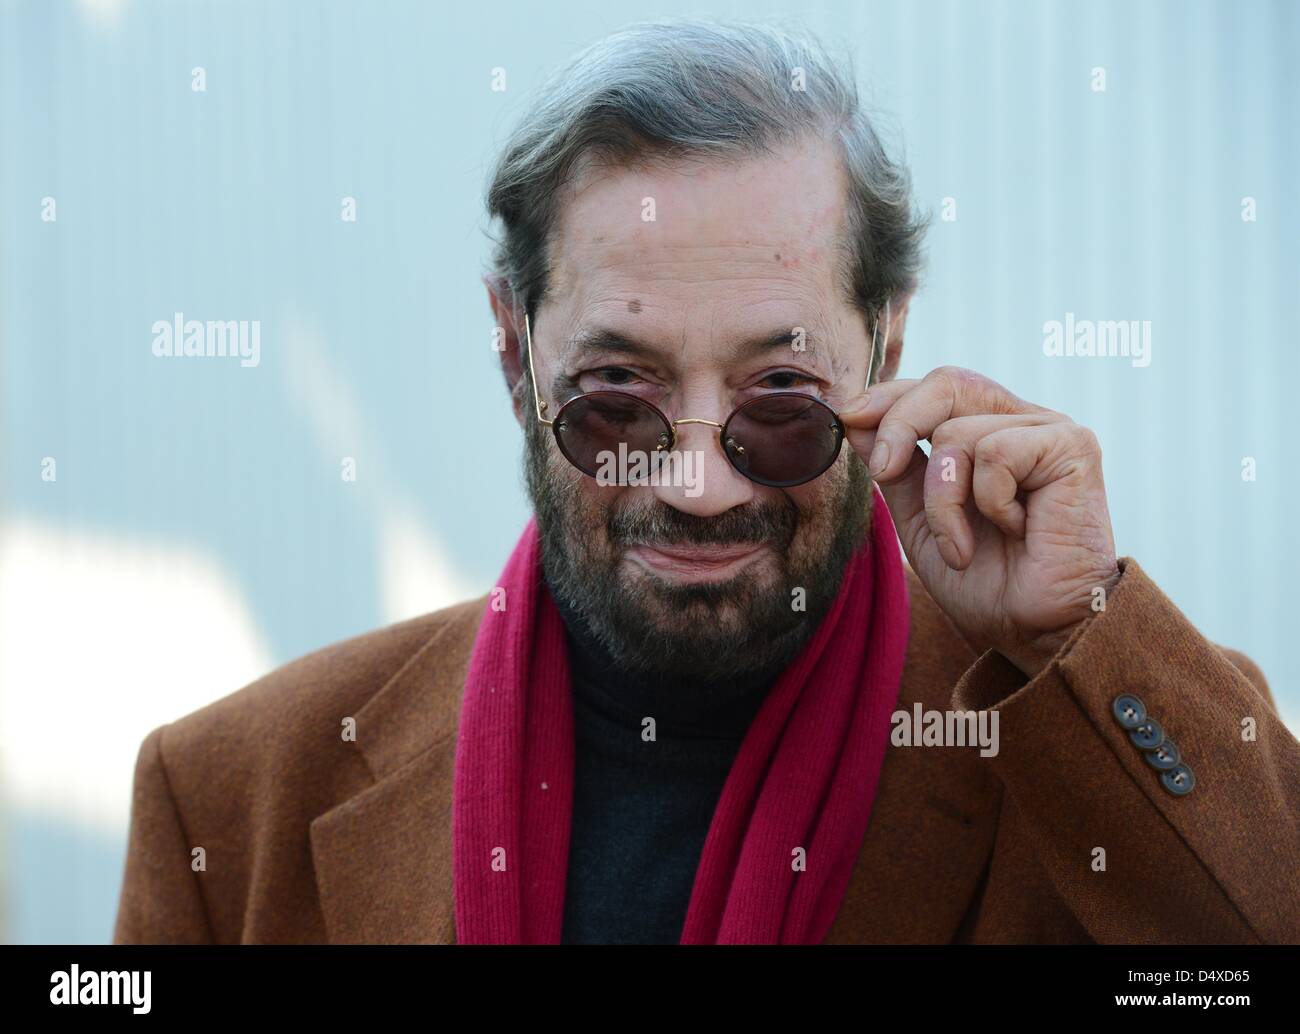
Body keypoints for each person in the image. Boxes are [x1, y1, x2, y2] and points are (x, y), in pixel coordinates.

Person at [113, 18, 1300, 945]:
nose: (693, 480)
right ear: (512, 346)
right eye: (614, 396)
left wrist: (1078, 632)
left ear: (884, 348)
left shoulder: (1073, 756)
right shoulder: (232, 800)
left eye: (777, 400)